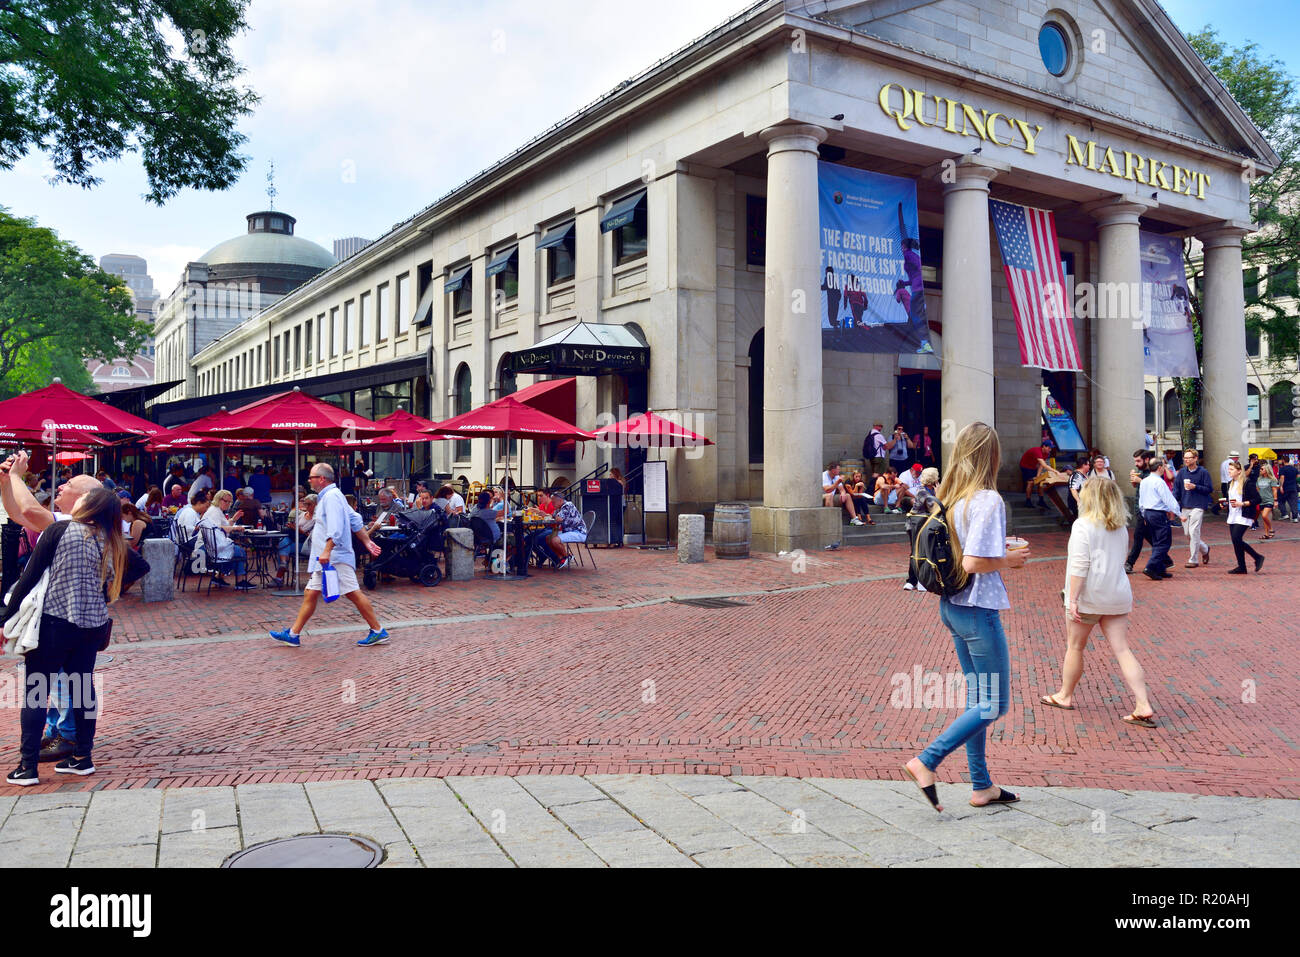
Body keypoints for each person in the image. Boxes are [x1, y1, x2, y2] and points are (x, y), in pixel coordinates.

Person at [903, 423, 1027, 812]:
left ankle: (982, 785)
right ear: (992, 456)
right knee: (994, 705)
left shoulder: (952, 497)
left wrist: (999, 550)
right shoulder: (987, 498)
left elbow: (964, 552)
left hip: (952, 607)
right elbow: (974, 561)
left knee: (978, 698)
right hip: (976, 610)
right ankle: (927, 761)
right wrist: (1009, 559)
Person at [3, 487, 131, 784]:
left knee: (36, 692)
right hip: (91, 626)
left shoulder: (61, 530)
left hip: (54, 623)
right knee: (83, 689)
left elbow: (27, 579)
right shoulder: (111, 540)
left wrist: (5, 618)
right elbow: (136, 568)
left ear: (89, 505)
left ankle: (27, 766)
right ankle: (83, 758)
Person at [1040, 478, 1156, 728]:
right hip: (1117, 593)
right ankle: (1143, 703)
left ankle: (1065, 695)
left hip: (1089, 596)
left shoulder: (1083, 526)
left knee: (1075, 647)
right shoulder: (1120, 526)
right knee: (1122, 649)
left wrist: (1072, 599)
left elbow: (1080, 566)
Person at [271, 463, 388, 647]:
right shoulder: (332, 496)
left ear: (322, 479)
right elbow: (354, 519)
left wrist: (327, 551)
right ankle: (293, 634)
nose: (309, 480)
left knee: (352, 593)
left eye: (312, 477)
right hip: (328, 557)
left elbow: (336, 528)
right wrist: (367, 542)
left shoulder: (332, 497)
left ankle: (378, 630)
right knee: (310, 593)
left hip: (333, 557)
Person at [1137, 457, 1181, 581]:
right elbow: (1168, 498)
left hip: (1149, 513)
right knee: (1164, 542)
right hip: (1158, 514)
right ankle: (1151, 567)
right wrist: (1179, 513)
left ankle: (1160, 568)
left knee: (1157, 541)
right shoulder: (1159, 482)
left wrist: (1143, 513)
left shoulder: (1144, 481)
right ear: (1160, 468)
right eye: (1163, 466)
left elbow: (1141, 500)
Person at [198, 490, 253, 589]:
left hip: (211, 545)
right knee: (240, 551)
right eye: (225, 501)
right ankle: (239, 582)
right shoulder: (214, 512)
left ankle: (218, 577)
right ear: (218, 499)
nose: (228, 504)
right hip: (207, 547)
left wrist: (234, 519)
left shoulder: (216, 510)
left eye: (229, 502)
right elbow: (220, 528)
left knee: (234, 549)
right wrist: (235, 528)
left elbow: (224, 525)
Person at [1173, 449, 1212, 568]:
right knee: (1188, 534)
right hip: (1185, 506)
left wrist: (1195, 487)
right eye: (1185, 458)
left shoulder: (1203, 472)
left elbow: (1209, 489)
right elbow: (1177, 489)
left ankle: (1193, 559)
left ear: (1195, 459)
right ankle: (1205, 549)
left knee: (1194, 532)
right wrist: (1174, 504)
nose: (1186, 460)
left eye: (1189, 457)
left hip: (1198, 506)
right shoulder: (1181, 473)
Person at [902, 467, 940, 591]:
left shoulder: (930, 490)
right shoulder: (923, 491)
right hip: (916, 525)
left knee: (924, 551)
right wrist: (939, 494)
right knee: (917, 551)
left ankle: (920, 579)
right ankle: (913, 580)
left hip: (925, 524)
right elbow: (934, 508)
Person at [1225, 460, 1264, 574]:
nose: (1229, 472)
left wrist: (1243, 504)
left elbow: (1257, 499)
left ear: (1239, 471)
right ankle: (1242, 567)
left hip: (1244, 514)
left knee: (1237, 538)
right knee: (1235, 541)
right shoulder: (1230, 483)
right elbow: (1231, 499)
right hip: (1233, 514)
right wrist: (1224, 504)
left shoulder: (1247, 483)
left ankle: (1257, 557)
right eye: (1229, 470)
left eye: (1231, 470)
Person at [537, 488, 586, 569]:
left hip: (578, 532)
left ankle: (567, 557)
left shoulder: (567, 505)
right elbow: (553, 516)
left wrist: (548, 515)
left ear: (560, 501)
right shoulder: (559, 507)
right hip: (568, 531)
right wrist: (547, 515)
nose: (552, 504)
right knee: (548, 539)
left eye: (553, 502)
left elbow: (558, 519)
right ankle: (562, 558)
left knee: (554, 540)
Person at [273, 494, 317, 586]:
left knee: (283, 546)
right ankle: (283, 564)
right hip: (295, 540)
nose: (306, 506)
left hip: (307, 544)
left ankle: (280, 575)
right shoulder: (301, 515)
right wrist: (292, 527)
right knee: (283, 541)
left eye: (309, 504)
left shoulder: (318, 518)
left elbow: (315, 536)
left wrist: (299, 530)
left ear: (316, 504)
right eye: (305, 504)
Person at [822, 462, 866, 526]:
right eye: (838, 469)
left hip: (832, 496)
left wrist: (843, 493)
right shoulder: (824, 476)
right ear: (833, 470)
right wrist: (837, 482)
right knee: (829, 495)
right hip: (822, 497)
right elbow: (827, 490)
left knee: (847, 495)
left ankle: (854, 519)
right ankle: (830, 520)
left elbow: (842, 489)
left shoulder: (836, 476)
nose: (839, 471)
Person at [1019, 441, 1053, 509]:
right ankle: (1028, 501)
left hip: (1033, 467)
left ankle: (1041, 500)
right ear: (1043, 446)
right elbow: (1044, 465)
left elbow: (1041, 465)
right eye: (1049, 448)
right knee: (1030, 482)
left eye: (1051, 448)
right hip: (1025, 466)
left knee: (1040, 482)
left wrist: (1038, 476)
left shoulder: (1046, 453)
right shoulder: (1037, 451)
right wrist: (1056, 471)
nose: (1050, 450)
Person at [1255, 461, 1278, 539]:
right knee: (1264, 518)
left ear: (1267, 470)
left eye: (1262, 469)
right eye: (1260, 469)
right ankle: (1266, 534)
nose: (1260, 470)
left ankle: (1271, 529)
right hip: (1261, 500)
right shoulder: (1259, 479)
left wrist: (1275, 500)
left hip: (1269, 500)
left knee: (1264, 515)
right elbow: (1257, 490)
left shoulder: (1272, 479)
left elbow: (1274, 490)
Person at [1067, 454, 1091, 519]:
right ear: (1083, 465)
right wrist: (1078, 501)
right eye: (1088, 464)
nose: (1089, 466)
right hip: (1077, 503)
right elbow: (1073, 489)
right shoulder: (1076, 475)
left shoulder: (1086, 474)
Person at [1278, 456, 1299, 523]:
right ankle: (1295, 518)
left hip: (1285, 487)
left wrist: (1281, 486)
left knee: (1280, 500)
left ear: (1283, 460)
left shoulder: (1282, 469)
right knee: (1293, 503)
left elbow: (1282, 478)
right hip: (1293, 487)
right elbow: (1298, 477)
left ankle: (1284, 514)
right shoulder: (1294, 469)